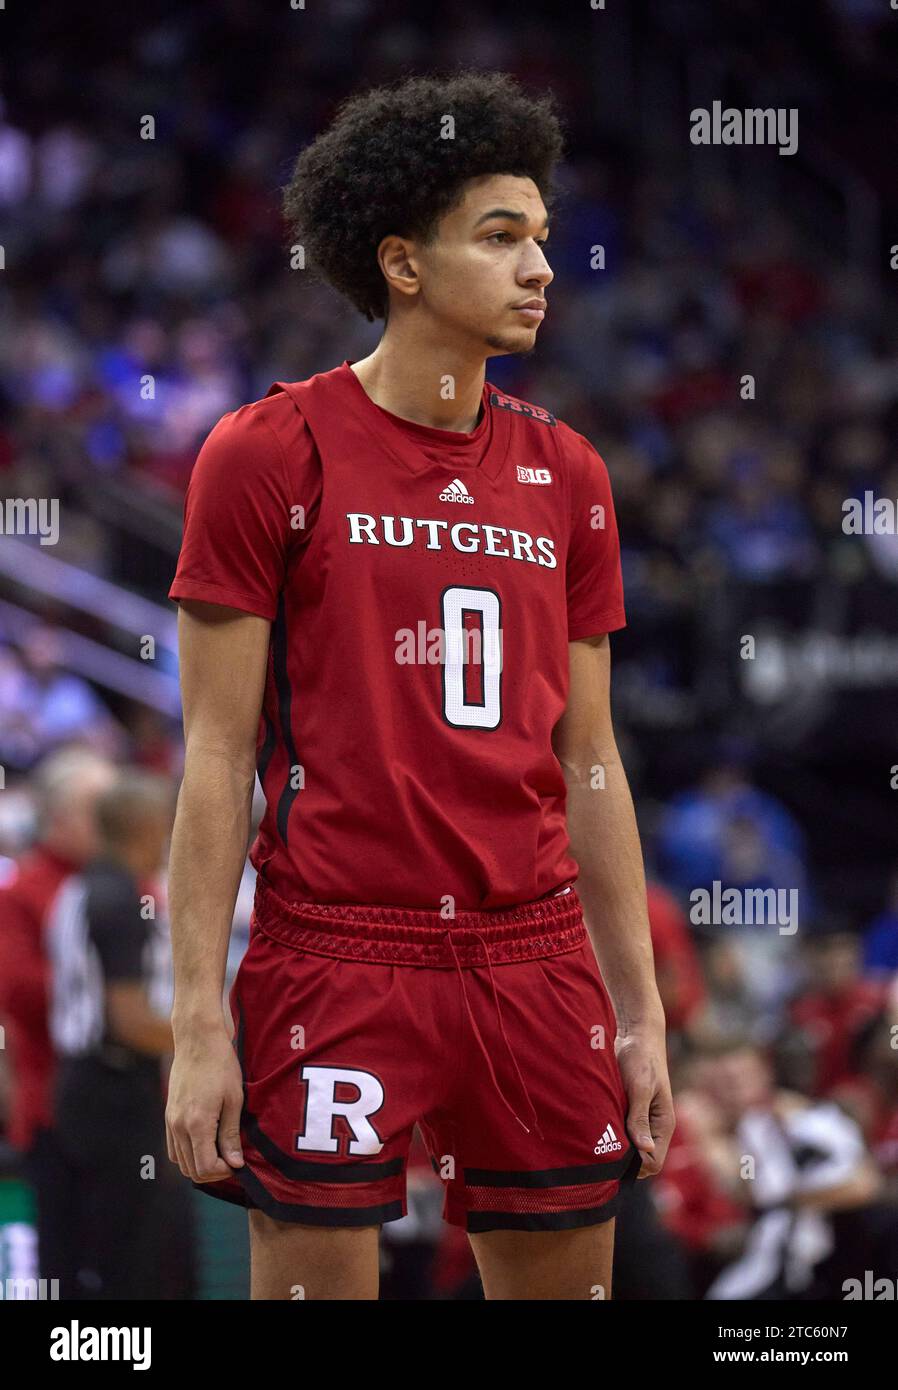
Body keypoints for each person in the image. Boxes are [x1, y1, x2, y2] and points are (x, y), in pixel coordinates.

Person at [165, 71, 673, 1301]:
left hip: (534, 952)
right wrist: (195, 1023)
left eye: (541, 237)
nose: (539, 265)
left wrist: (640, 1007)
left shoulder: (571, 475)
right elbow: (217, 761)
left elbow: (588, 758)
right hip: (335, 950)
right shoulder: (262, 453)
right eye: (500, 238)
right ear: (400, 262)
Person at [47, 769, 186, 1298]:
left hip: (83, 1085)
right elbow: (128, 1021)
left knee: (103, 1244)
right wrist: (208, 1045)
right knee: (134, 1253)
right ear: (147, 827)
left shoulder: (81, 885)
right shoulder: (121, 899)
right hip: (113, 1093)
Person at [0, 745, 115, 1296]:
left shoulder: (129, 884)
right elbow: (18, 990)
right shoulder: (23, 890)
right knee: (64, 1269)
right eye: (98, 809)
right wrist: (108, 993)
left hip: (131, 1111)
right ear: (58, 816)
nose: (111, 823)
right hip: (55, 1108)